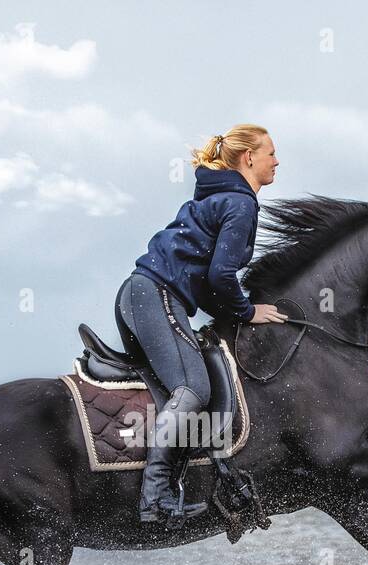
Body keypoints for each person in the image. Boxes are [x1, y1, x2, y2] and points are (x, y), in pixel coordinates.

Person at [116, 124, 287, 527]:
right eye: (271, 153)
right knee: (193, 388)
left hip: (140, 296)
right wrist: (247, 312)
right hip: (153, 296)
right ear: (249, 158)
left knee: (179, 386)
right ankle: (154, 500)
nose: (277, 161)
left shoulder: (223, 198)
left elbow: (209, 279)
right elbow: (221, 276)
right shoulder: (240, 204)